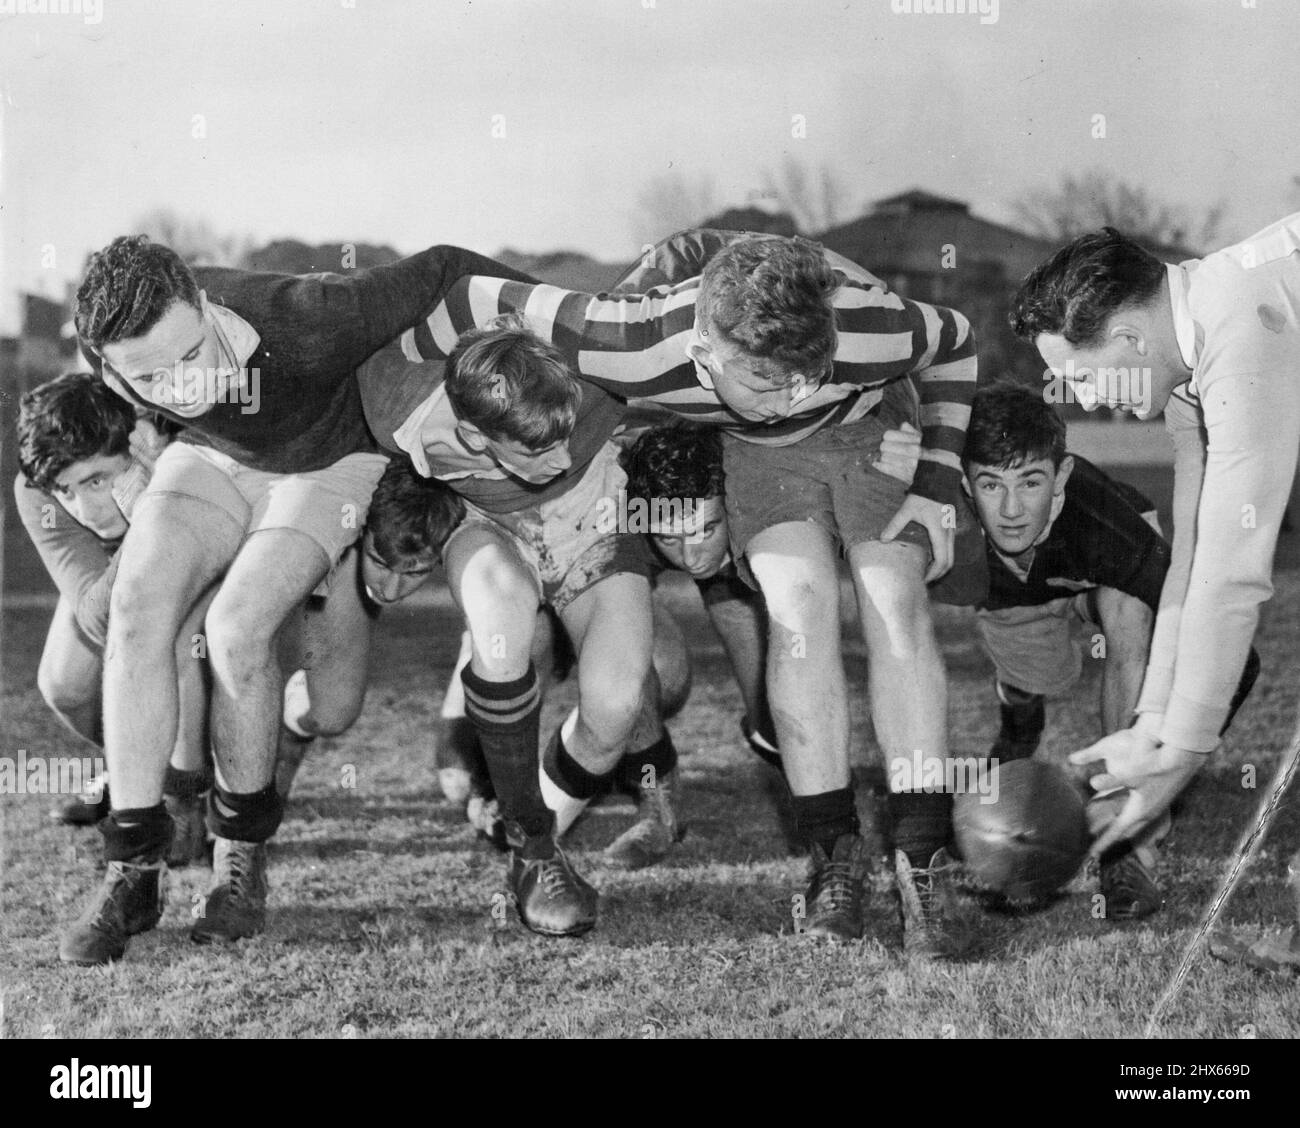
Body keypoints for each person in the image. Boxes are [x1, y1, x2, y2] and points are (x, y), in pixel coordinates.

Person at [378, 229, 979, 955]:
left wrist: (937, 478)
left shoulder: (863, 328)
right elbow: (464, 298)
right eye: (766, 382)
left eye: (806, 375)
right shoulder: (624, 337)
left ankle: (922, 861)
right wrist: (419, 407)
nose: (791, 398)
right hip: (756, 456)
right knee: (797, 612)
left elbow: (956, 340)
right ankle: (832, 858)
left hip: (871, 430)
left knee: (893, 600)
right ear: (703, 352)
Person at [62, 236, 531, 964]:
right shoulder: (112, 353)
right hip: (215, 456)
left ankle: (239, 859)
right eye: (151, 377)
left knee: (237, 627)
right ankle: (134, 867)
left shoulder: (312, 317)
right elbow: (153, 396)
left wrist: (586, 321)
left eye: (190, 357)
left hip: (327, 463)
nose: (179, 388)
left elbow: (447, 266)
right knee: (136, 609)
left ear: (204, 307)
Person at [1011, 218, 1298, 966]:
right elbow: (1193, 557)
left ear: (1131, 339)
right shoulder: (1184, 359)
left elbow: (1235, 570)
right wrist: (1152, 725)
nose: (1079, 398)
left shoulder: (1236, 327)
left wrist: (1184, 751)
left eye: (1080, 376)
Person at [361, 314, 665, 937]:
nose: (559, 457)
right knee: (500, 627)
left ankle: (530, 835)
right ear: (474, 432)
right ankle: (535, 845)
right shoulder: (397, 400)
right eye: (538, 447)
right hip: (488, 524)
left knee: (616, 706)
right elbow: (379, 311)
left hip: (596, 524)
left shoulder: (598, 363)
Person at [935, 382, 1257, 918]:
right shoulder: (942, 507)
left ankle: (1126, 846)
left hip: (1100, 574)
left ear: (1061, 476)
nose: (1011, 509)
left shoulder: (1105, 524)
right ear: (964, 483)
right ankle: (1020, 722)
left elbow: (1235, 657)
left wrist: (1164, 755)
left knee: (1132, 613)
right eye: (991, 484)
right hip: (1015, 597)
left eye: (1031, 481)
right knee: (1034, 680)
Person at [15, 372, 209, 863]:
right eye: (65, 490)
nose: (85, 508)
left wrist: (167, 495)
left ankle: (188, 795)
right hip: (116, 568)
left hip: (206, 556)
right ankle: (136, 768)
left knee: (176, 644)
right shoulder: (36, 489)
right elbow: (95, 616)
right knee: (64, 684)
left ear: (134, 446)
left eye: (97, 481)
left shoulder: (177, 450)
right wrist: (144, 519)